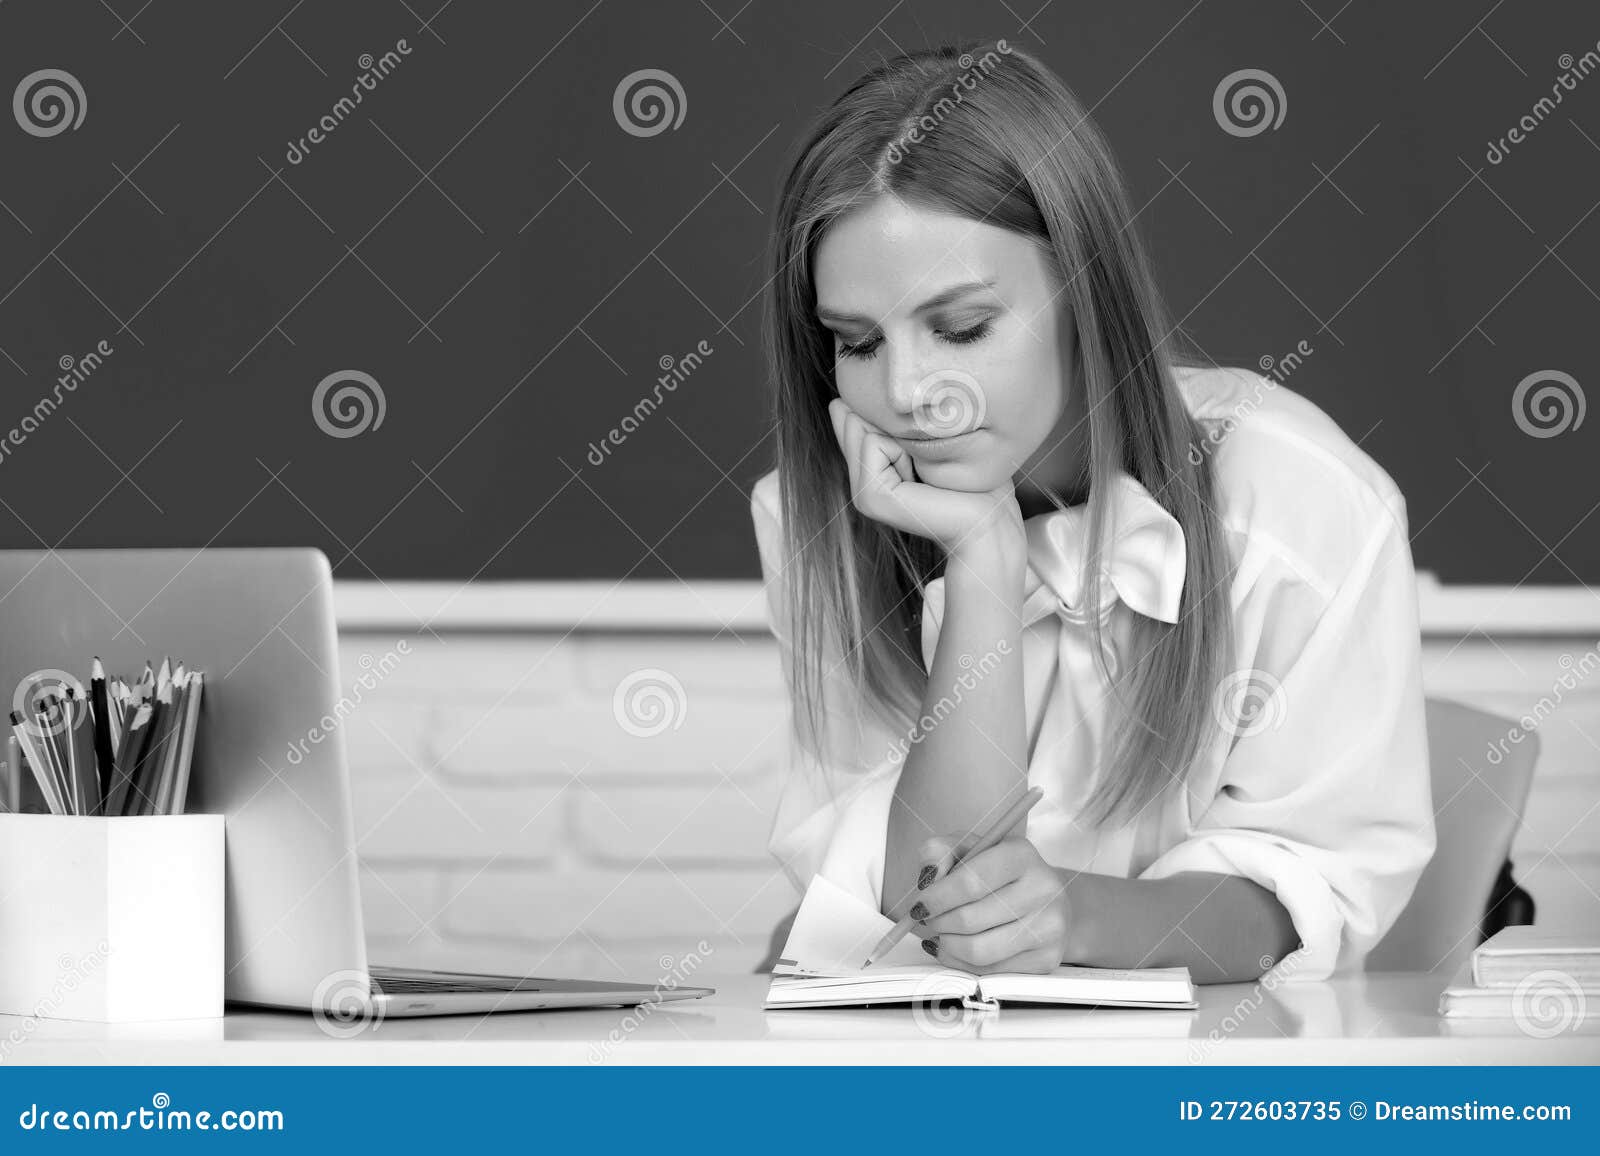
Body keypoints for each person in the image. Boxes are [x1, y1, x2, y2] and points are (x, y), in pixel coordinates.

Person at [750, 42, 1434, 984]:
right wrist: (983, 564)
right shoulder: (818, 510)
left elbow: (1305, 894)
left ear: (1084, 292)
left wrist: (1073, 916)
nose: (909, 392)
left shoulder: (1299, 507)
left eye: (961, 328)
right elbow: (921, 899)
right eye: (857, 342)